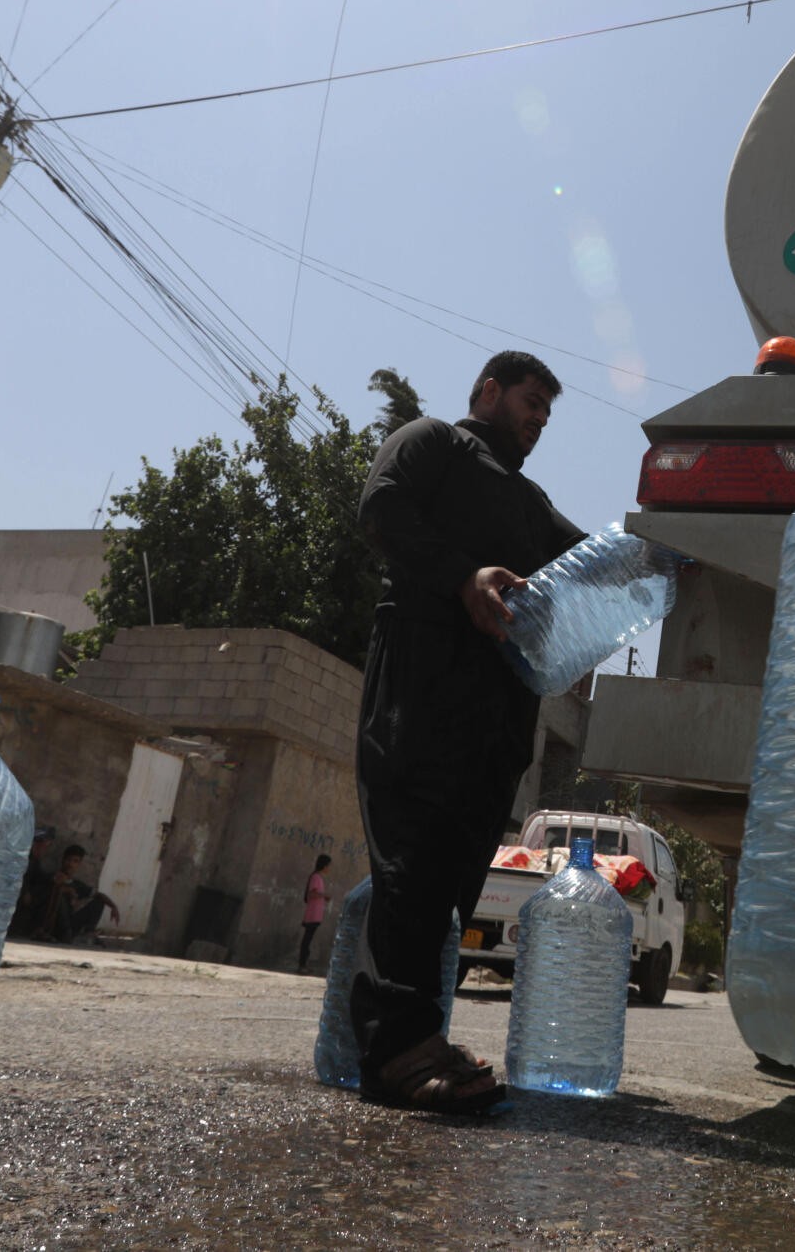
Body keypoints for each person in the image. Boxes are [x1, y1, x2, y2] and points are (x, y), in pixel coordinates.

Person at [349, 350, 585, 1112]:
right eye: (530, 399)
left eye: (549, 410)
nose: (539, 417)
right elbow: (380, 508)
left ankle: (424, 1035)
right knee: (412, 860)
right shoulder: (432, 442)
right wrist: (462, 575)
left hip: (496, 708)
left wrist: (669, 553)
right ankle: (393, 1050)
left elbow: (584, 561)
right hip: (422, 679)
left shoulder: (531, 501)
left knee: (454, 874)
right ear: (487, 391)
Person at [42, 843, 120, 945]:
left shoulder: (77, 884)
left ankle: (88, 934)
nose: (70, 864)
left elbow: (98, 895)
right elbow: (48, 892)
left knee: (99, 901)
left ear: (78, 864)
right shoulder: (52, 877)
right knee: (58, 894)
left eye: (75, 861)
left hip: (70, 924)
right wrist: (66, 890)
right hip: (53, 924)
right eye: (68, 860)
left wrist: (113, 906)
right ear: (63, 860)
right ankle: (63, 935)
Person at [10, 826, 58, 938]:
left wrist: (53, 878)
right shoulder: (25, 858)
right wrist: (25, 891)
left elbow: (38, 877)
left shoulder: (34, 861)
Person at [300, 854, 333, 974]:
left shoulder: (318, 877)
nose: (329, 868)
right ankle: (302, 965)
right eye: (328, 865)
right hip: (312, 915)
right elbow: (312, 894)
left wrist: (323, 897)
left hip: (316, 915)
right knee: (307, 940)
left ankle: (304, 964)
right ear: (324, 866)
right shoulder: (316, 877)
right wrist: (324, 896)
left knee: (308, 940)